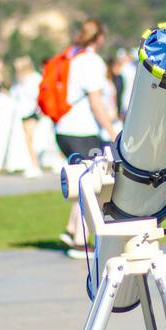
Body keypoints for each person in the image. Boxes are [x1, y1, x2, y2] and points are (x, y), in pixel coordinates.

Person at [54, 19, 119, 258]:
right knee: (91, 184)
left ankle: (72, 230)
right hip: (81, 130)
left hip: (64, 128)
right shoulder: (92, 61)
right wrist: (112, 131)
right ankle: (80, 241)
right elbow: (96, 103)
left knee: (82, 180)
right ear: (99, 38)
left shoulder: (72, 57)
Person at [10, 56, 43, 177]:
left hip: (31, 111)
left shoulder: (34, 78)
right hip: (23, 112)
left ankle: (35, 165)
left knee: (30, 139)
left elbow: (37, 95)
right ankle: (32, 164)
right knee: (27, 139)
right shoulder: (20, 80)